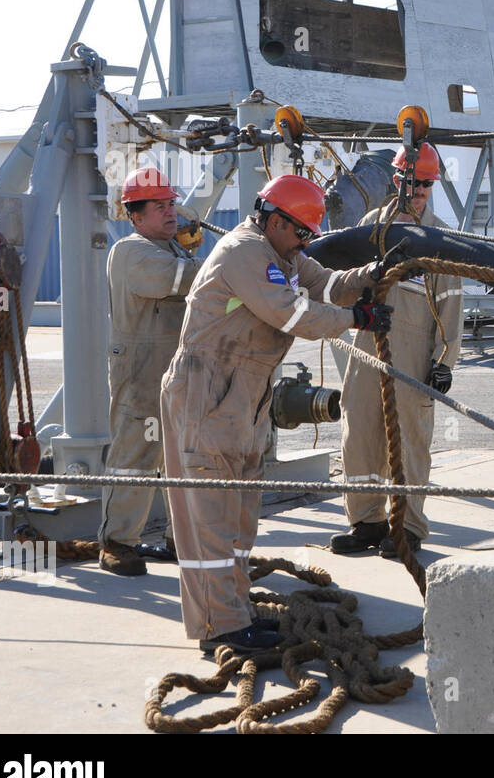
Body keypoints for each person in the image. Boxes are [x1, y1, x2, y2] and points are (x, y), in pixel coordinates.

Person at [161, 174, 390, 653]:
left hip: (244, 394)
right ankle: (218, 628)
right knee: (213, 517)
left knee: (242, 516)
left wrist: (370, 277)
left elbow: (326, 285)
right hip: (209, 389)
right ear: (276, 220)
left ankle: (235, 614)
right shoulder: (245, 253)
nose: (306, 244)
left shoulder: (284, 255)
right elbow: (293, 315)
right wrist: (357, 319)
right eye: (302, 233)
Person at [332, 144, 463, 559]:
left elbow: (452, 304)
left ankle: (407, 525)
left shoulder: (440, 236)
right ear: (398, 181)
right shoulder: (371, 226)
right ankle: (366, 520)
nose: (421, 190)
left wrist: (444, 362)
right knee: (360, 432)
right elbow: (344, 284)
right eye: (414, 182)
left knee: (410, 440)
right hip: (368, 344)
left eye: (427, 184)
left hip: (414, 349)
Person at [98, 167, 204, 576]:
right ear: (135, 216)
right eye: (159, 207)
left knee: (183, 456)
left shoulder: (173, 249)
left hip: (176, 370)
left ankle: (182, 540)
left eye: (171, 204)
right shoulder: (132, 252)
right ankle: (117, 542)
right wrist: (239, 261)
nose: (170, 212)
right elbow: (187, 280)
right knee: (136, 456)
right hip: (141, 374)